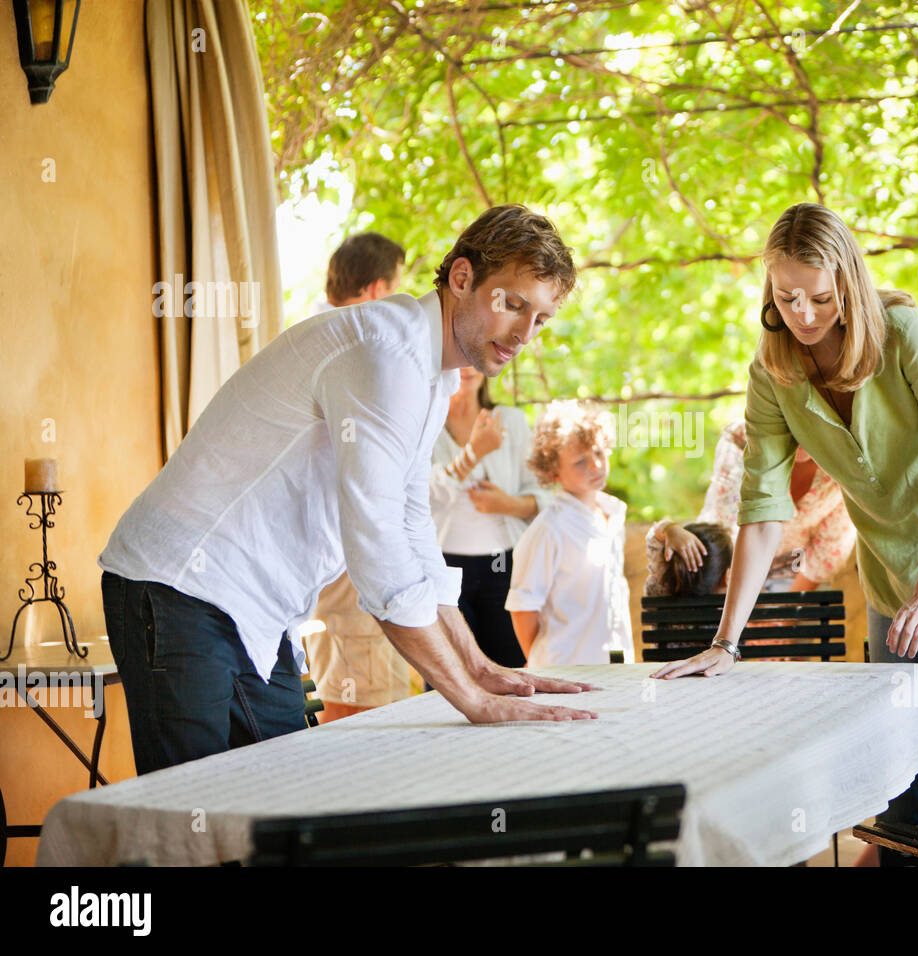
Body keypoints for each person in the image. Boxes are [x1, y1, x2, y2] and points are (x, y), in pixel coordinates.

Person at [99, 204, 598, 776]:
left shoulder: (431, 378)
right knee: (187, 820)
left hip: (256, 610)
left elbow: (412, 525)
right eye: (512, 303)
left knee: (283, 800)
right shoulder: (385, 354)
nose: (523, 334)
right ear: (462, 278)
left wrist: (479, 665)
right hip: (176, 584)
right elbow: (379, 547)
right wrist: (471, 699)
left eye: (540, 319)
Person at [651, 203, 918, 862]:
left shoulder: (907, 336)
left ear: (850, 284)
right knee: (899, 751)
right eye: (787, 297)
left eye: (820, 297)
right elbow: (761, 508)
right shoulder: (772, 373)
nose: (803, 314)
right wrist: (728, 641)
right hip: (892, 566)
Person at [303, 231, 415, 723]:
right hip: (349, 558)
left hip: (338, 556)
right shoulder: (350, 346)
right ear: (374, 290)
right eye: (398, 290)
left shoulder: (310, 337)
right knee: (363, 715)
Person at [428, 366, 550, 668]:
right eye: (459, 360)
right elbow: (422, 498)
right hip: (442, 568)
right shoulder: (425, 422)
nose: (468, 368)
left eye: (474, 360)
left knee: (511, 672)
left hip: (503, 566)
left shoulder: (511, 420)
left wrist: (507, 504)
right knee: (449, 672)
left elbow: (545, 497)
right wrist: (474, 453)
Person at [646, 418, 854, 594]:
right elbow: (724, 521)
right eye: (793, 414)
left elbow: (826, 553)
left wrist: (783, 619)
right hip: (730, 575)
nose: (801, 429)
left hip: (791, 584)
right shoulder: (744, 441)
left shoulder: (847, 467)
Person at [505, 401, 634, 666]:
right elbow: (522, 607)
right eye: (580, 461)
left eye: (599, 452)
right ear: (553, 471)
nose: (596, 465)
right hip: (567, 669)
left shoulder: (613, 514)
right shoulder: (548, 529)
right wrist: (544, 663)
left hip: (615, 665)